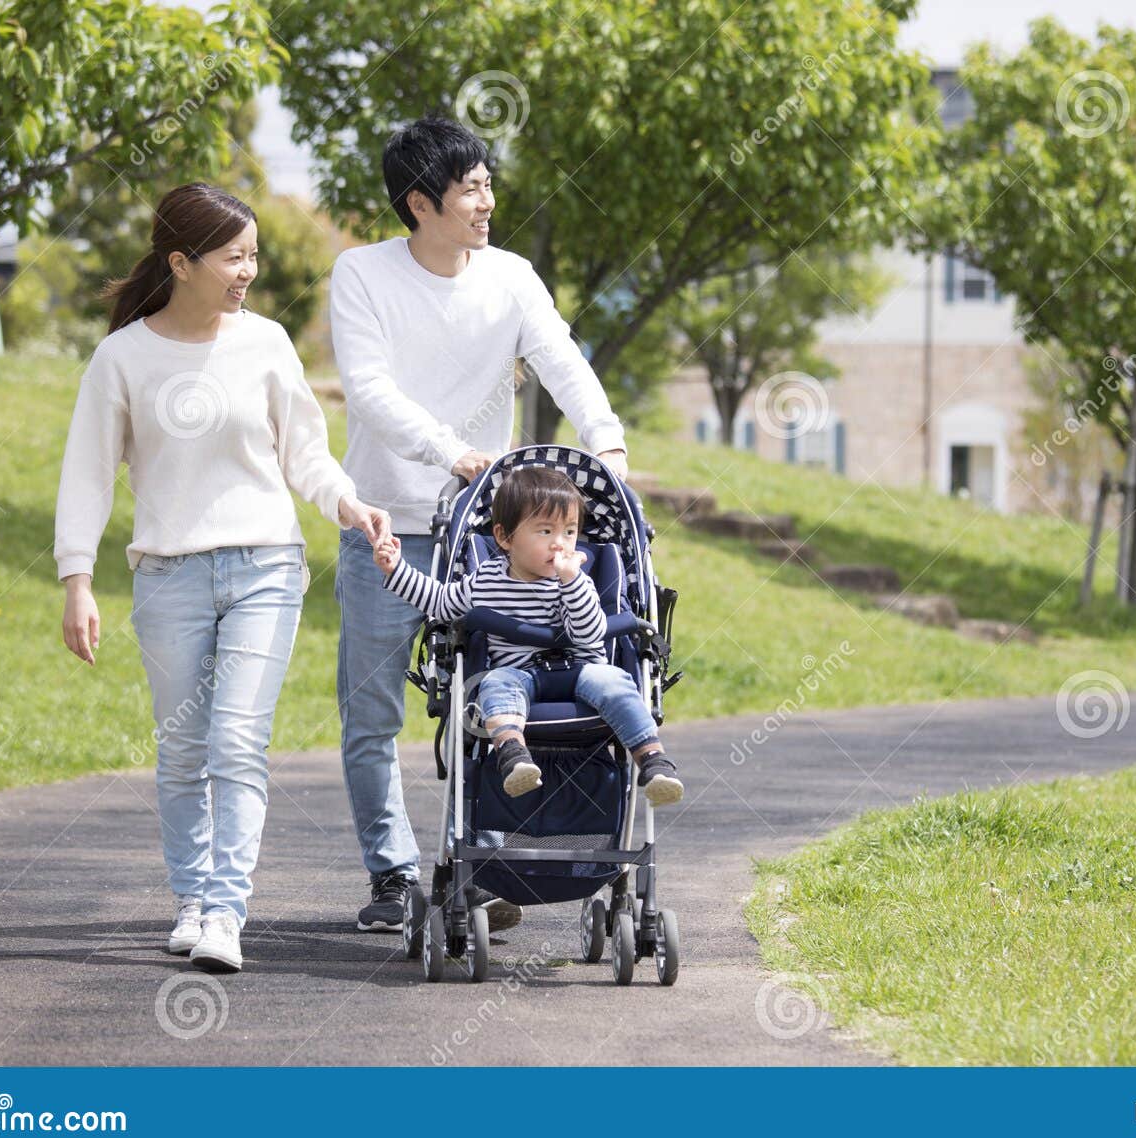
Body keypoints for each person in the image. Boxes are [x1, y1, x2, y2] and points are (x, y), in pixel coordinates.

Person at [55, 183, 391, 974]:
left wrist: (348, 502)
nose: (249, 269)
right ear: (182, 261)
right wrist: (76, 578)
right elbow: (88, 474)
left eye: (253, 255)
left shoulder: (267, 343)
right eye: (234, 256)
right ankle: (193, 898)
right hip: (167, 573)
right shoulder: (123, 357)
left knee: (236, 740)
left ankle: (227, 913)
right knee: (180, 751)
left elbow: (303, 450)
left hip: (265, 567)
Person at [329, 114, 631, 933]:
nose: (488, 202)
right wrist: (456, 452)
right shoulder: (361, 274)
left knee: (489, 699)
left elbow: (563, 359)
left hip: (489, 536)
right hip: (389, 525)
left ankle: (486, 862)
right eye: (471, 190)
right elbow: (368, 387)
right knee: (372, 714)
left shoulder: (512, 276)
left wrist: (607, 444)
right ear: (421, 203)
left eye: (489, 184)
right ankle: (392, 874)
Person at [376, 466, 683, 804]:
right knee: (494, 683)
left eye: (569, 532)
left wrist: (572, 581)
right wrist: (396, 569)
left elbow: (588, 631)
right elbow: (441, 602)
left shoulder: (575, 580)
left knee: (616, 682)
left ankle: (653, 761)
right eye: (545, 531)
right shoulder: (487, 579)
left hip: (583, 671)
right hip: (521, 674)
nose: (560, 544)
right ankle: (513, 755)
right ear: (505, 538)